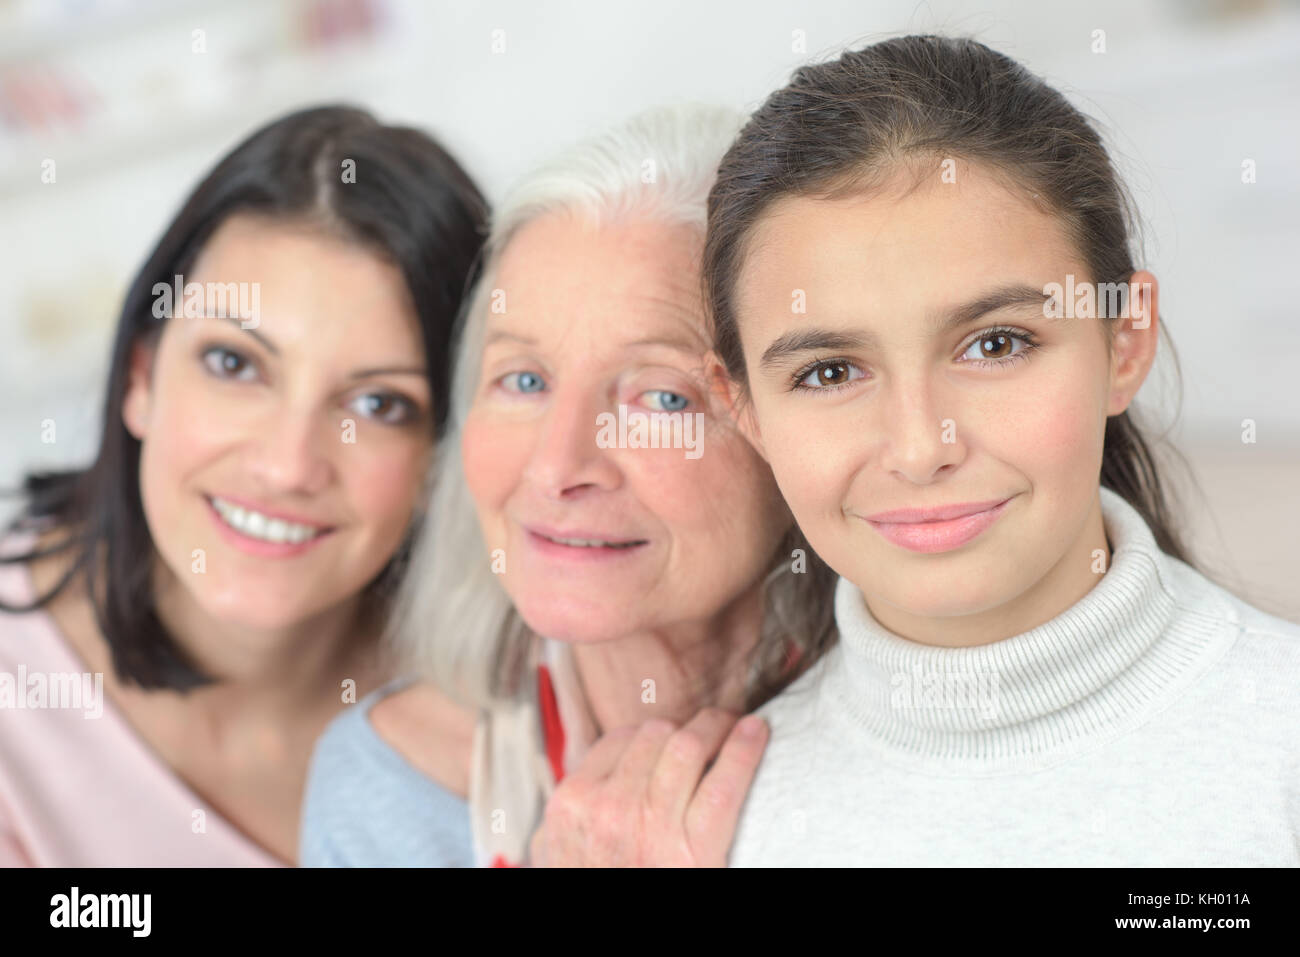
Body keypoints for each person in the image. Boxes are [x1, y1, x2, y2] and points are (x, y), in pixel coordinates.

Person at [690, 34, 1299, 865]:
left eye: (997, 344)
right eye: (830, 371)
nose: (920, 446)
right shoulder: (707, 822)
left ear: (1124, 340)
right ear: (746, 411)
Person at [299, 104, 837, 867]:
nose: (557, 466)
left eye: (662, 397)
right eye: (523, 379)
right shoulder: (392, 786)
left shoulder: (924, 735)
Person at [0, 105, 488, 865]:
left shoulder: (504, 700)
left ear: (440, 458)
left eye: (378, 403)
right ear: (140, 377)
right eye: (235, 364)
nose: (287, 465)